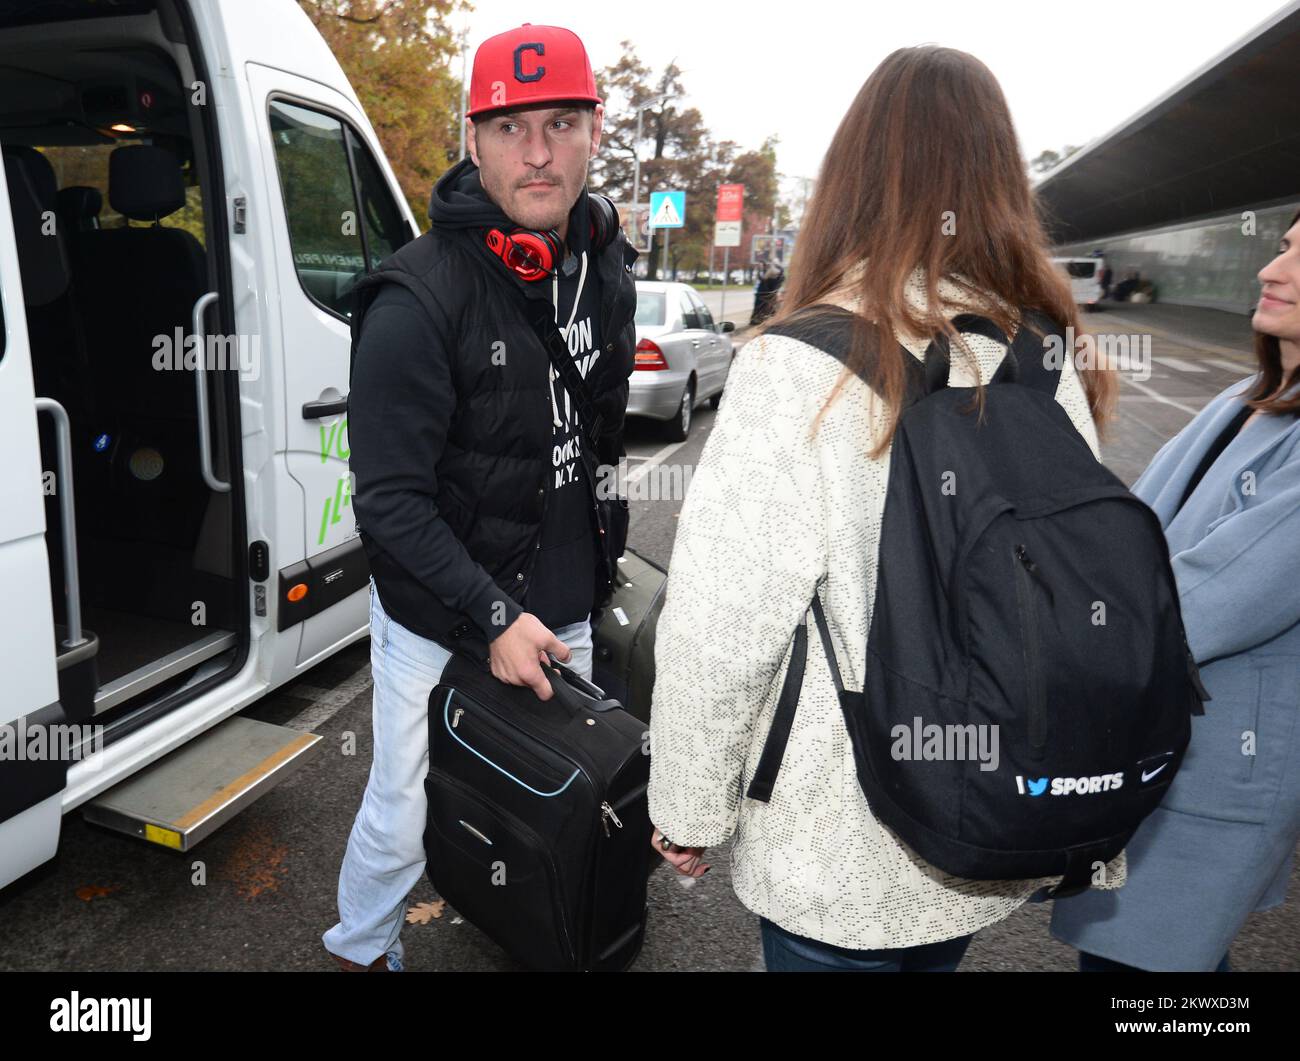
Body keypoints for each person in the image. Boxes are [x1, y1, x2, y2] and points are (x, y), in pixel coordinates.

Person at [646, 45, 1121, 971]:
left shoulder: (799, 362)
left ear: (854, 173)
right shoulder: (1041, 355)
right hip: (978, 807)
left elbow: (723, 622)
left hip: (838, 823)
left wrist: (688, 806)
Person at [322, 23, 638, 972]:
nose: (535, 151)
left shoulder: (606, 271)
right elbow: (388, 504)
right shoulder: (415, 299)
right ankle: (364, 948)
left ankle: (537, 928)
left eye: (558, 123)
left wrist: (604, 552)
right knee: (406, 802)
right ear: (472, 140)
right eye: (508, 128)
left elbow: (603, 443)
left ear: (593, 130)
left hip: (566, 605)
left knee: (545, 794)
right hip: (445, 617)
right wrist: (494, 613)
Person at [1051, 208, 1300, 972]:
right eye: (1285, 246)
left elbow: (1207, 596)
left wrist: (1046, 636)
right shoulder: (1241, 400)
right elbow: (1132, 531)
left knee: (1147, 966)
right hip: (1159, 742)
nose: (1270, 270)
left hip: (1207, 761)